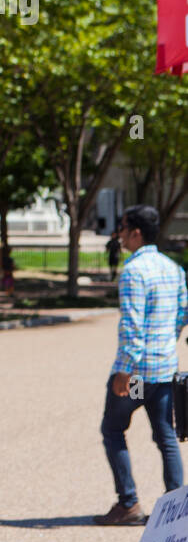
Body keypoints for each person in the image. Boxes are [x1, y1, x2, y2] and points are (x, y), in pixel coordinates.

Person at [94, 205, 186, 525]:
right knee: (166, 436)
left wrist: (125, 368)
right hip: (164, 370)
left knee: (113, 428)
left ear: (135, 232)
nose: (119, 233)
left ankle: (129, 503)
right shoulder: (173, 269)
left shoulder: (134, 271)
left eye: (122, 227)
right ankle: (178, 508)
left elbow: (132, 326)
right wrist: (165, 345)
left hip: (137, 376)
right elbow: (181, 315)